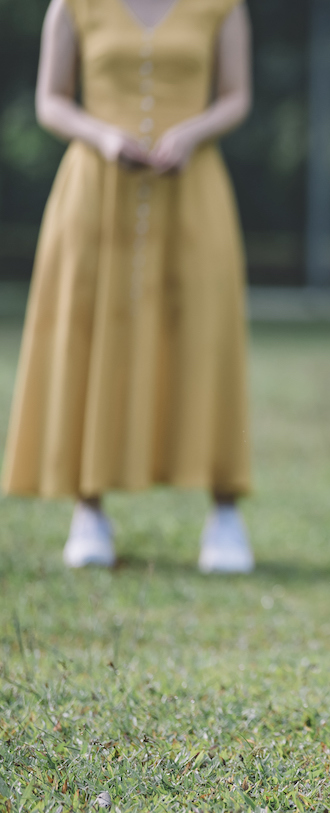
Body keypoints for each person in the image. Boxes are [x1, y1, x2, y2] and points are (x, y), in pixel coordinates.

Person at [1, 0, 255, 573]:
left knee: (204, 337)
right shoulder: (72, 4)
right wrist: (102, 136)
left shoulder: (223, 6)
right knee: (89, 336)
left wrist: (191, 133)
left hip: (194, 193)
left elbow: (236, 95)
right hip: (95, 194)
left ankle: (224, 511)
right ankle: (87, 507)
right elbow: (51, 100)